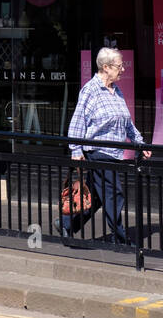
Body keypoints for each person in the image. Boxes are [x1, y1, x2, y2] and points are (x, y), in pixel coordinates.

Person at [64, 48, 151, 244]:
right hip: (97, 152)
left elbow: (127, 123)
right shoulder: (90, 90)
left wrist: (140, 144)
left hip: (114, 153)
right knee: (114, 193)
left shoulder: (116, 91)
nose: (123, 70)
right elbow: (77, 122)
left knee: (96, 197)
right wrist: (76, 151)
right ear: (106, 67)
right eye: (119, 66)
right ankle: (119, 238)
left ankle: (67, 224)